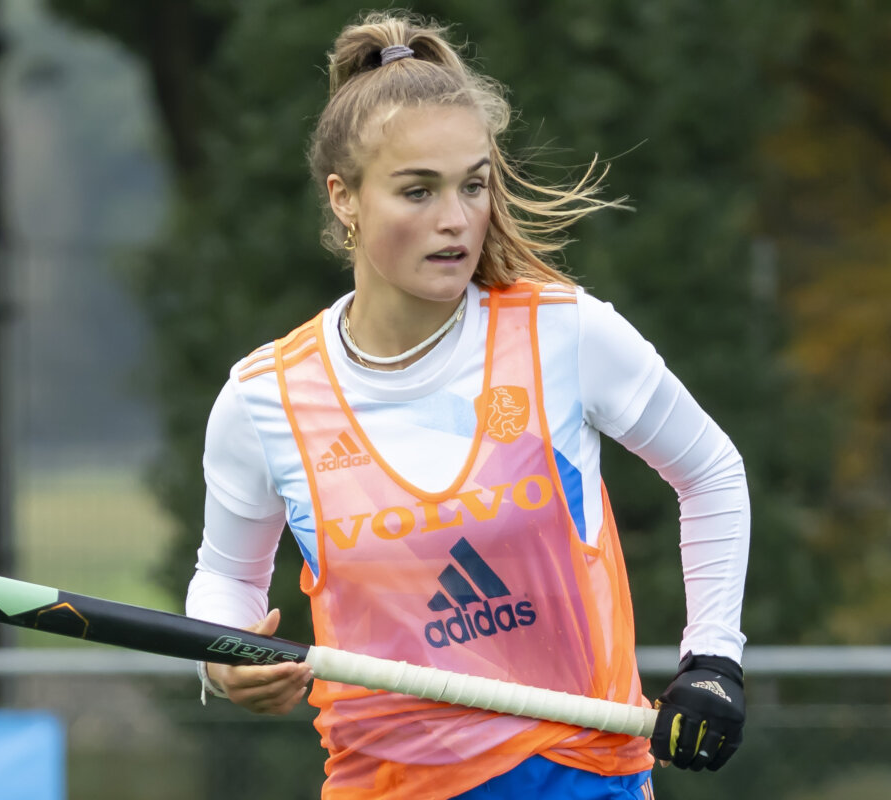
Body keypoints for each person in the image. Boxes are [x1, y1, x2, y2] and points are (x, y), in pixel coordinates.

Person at [186, 11, 749, 800]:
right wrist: (222, 657)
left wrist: (714, 659)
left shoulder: (563, 333)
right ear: (344, 199)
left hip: (583, 782)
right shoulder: (264, 399)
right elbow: (226, 578)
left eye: (474, 184)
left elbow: (712, 472)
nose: (456, 220)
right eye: (418, 190)